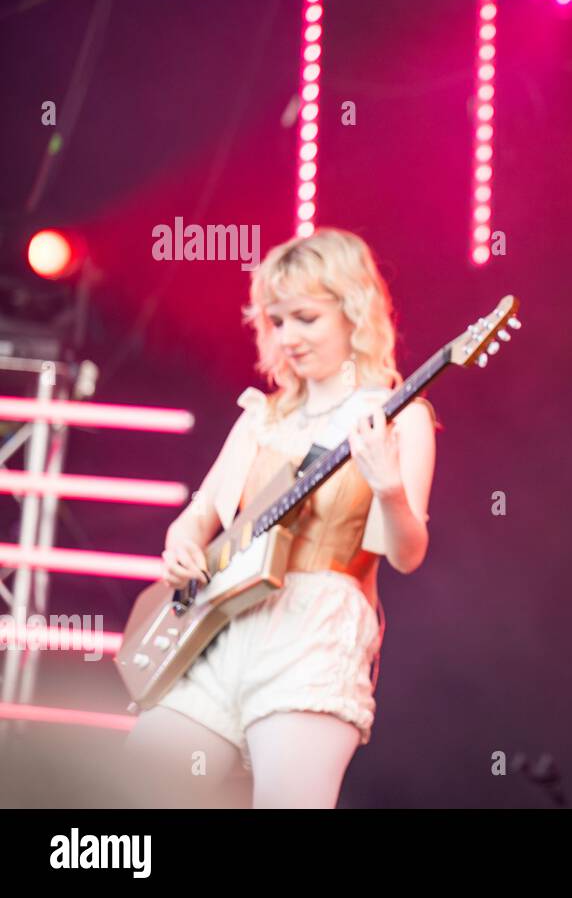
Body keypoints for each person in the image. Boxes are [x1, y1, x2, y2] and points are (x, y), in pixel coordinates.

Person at [121, 227, 437, 808]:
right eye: (276, 320)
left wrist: (388, 488)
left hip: (315, 637)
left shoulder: (399, 417)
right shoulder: (260, 416)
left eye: (305, 318)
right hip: (218, 630)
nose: (287, 337)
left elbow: (407, 553)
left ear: (352, 310)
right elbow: (197, 516)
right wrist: (181, 547)